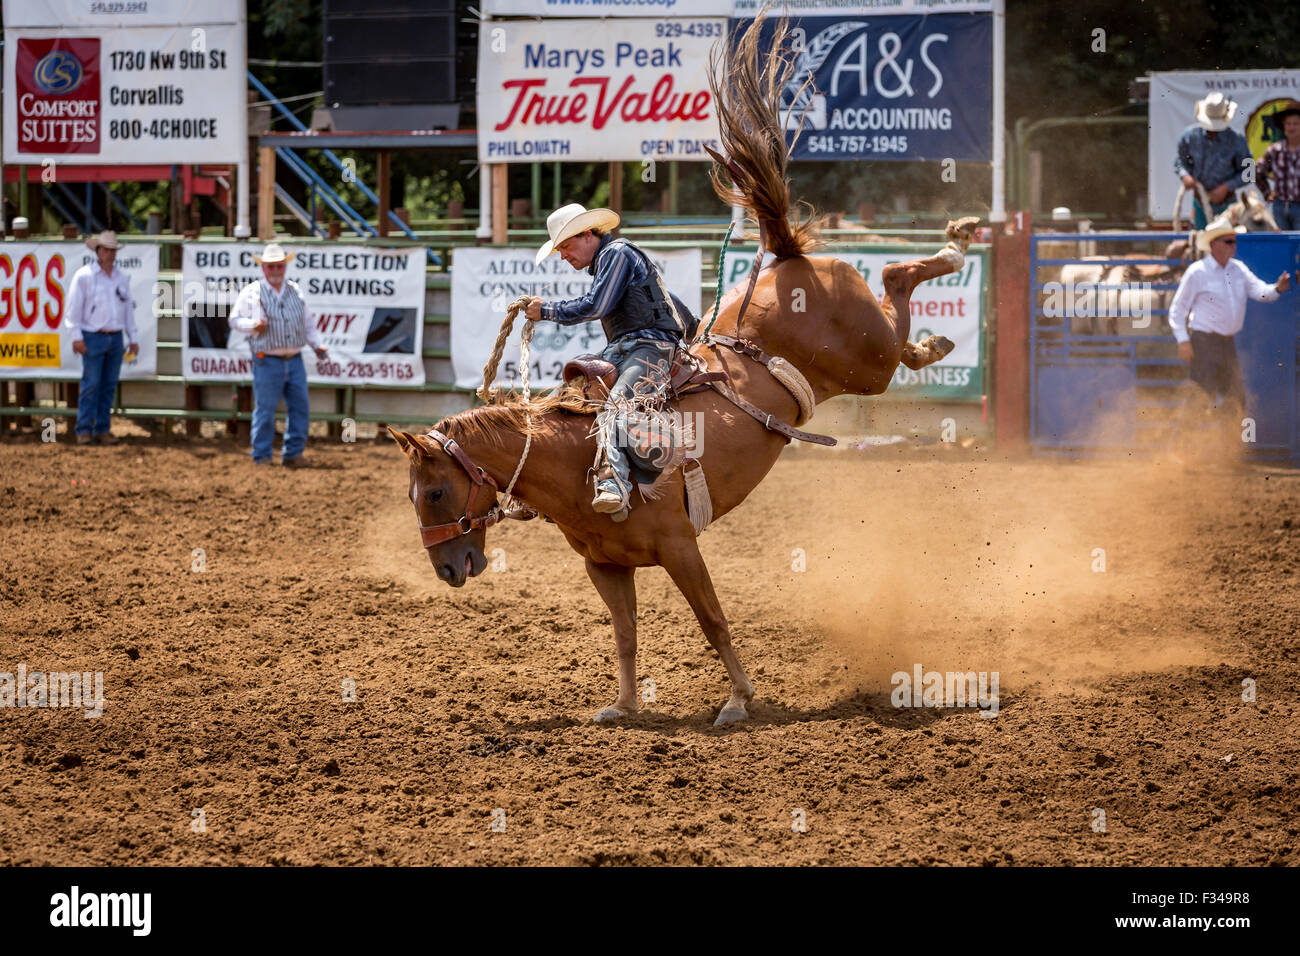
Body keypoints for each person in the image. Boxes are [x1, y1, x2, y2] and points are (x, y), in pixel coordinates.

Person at [523, 203, 695, 517]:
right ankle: (541, 488)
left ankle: (614, 484)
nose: (563, 255)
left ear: (588, 234)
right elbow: (666, 299)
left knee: (618, 407)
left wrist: (546, 311)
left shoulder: (617, 254)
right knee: (559, 401)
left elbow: (596, 306)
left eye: (565, 246)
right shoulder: (615, 258)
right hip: (627, 349)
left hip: (649, 347)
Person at [1169, 216, 1291, 439]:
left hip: (1226, 343)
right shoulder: (1197, 272)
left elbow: (1260, 291)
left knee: (1235, 396)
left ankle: (1228, 448)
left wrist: (1278, 289)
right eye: (1229, 241)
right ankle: (1182, 447)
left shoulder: (1238, 270)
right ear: (1214, 244)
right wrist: (1183, 340)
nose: (1234, 246)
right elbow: (1178, 309)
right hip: (1204, 341)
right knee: (1201, 395)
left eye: (1234, 241)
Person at [228, 243, 328, 466]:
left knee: (300, 407)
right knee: (265, 409)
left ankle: (293, 453)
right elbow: (234, 320)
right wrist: (253, 325)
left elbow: (307, 323)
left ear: (285, 267)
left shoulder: (295, 291)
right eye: (271, 266)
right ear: (264, 268)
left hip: (294, 358)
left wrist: (317, 345)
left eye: (279, 266)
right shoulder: (252, 292)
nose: (275, 271)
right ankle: (262, 455)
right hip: (266, 359)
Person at [65, 230, 138, 445]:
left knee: (106, 386)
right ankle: (85, 429)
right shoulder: (84, 276)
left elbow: (127, 311)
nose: (110, 254)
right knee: (92, 384)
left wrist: (132, 337)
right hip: (93, 336)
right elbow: (73, 309)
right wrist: (76, 336)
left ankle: (101, 428)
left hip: (114, 337)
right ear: (98, 251)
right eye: (107, 250)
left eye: (113, 250)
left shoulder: (121, 277)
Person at [1174, 93, 1253, 229]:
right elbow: (1180, 161)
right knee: (1199, 242)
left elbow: (1249, 172)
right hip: (1200, 202)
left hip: (1228, 203)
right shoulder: (1190, 137)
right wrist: (1185, 175)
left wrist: (1226, 187)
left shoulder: (1236, 140)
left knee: (1227, 241)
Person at [1258, 100, 1300, 231]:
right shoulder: (1275, 150)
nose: (1291, 127)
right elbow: (1258, 172)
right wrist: (1267, 193)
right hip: (1280, 206)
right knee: (1281, 245)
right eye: (1288, 124)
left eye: (1296, 124)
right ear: (1283, 126)